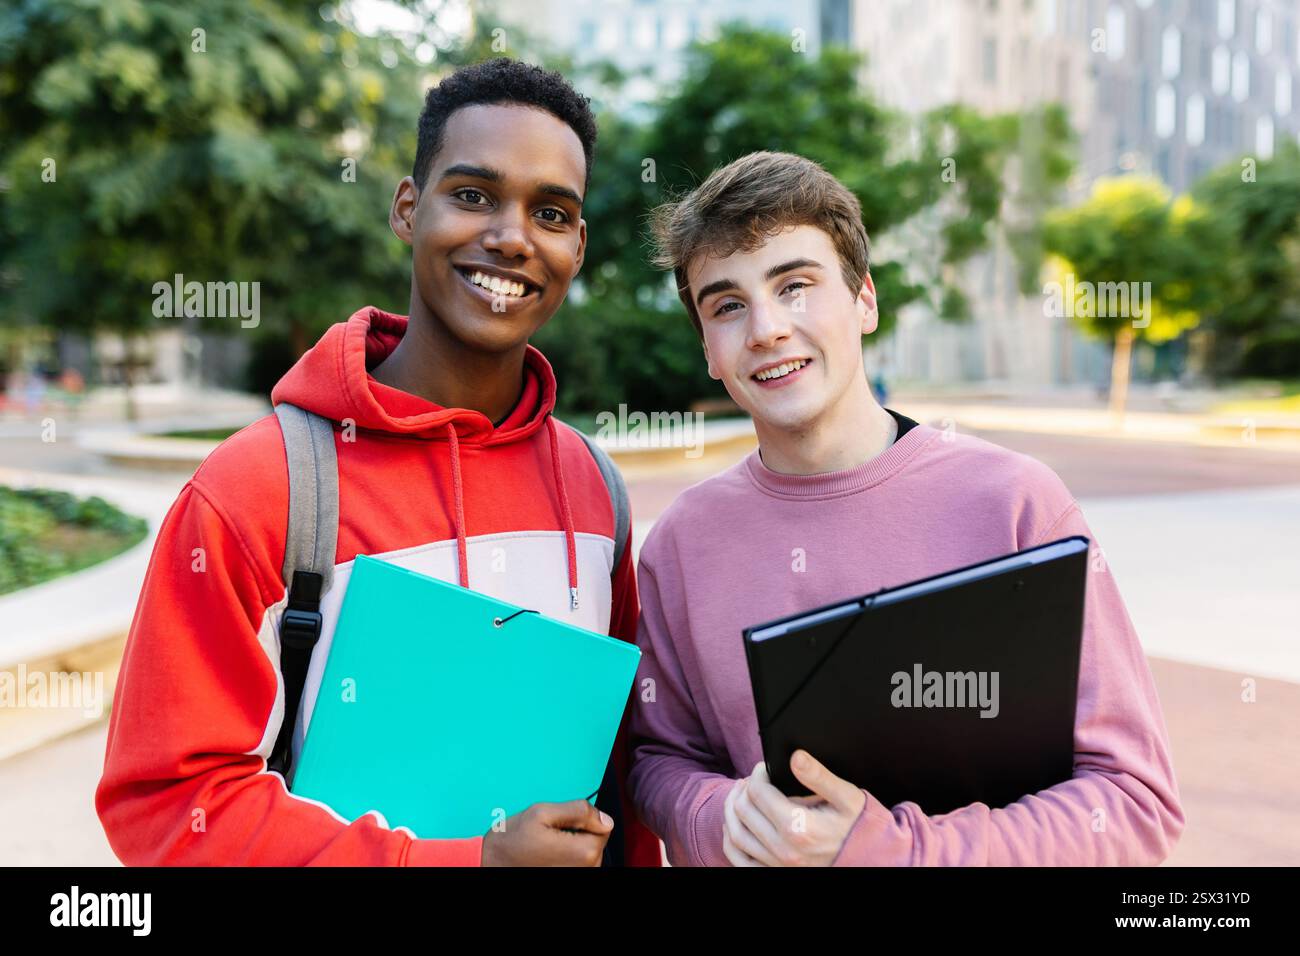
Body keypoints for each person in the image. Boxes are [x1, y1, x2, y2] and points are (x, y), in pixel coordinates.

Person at [96, 58, 660, 867]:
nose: (510, 236)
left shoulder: (593, 487)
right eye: (472, 195)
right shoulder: (262, 486)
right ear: (407, 208)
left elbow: (617, 775)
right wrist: (469, 862)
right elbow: (167, 808)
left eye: (552, 212)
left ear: (577, 246)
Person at [627, 150, 1185, 866]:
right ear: (707, 346)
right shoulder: (681, 543)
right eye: (728, 305)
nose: (765, 328)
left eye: (795, 285)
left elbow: (1132, 802)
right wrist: (722, 816)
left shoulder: (1015, 505)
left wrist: (886, 850)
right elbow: (659, 759)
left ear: (865, 299)